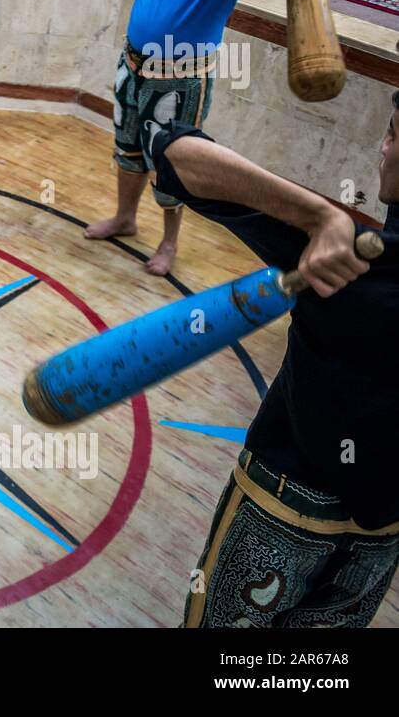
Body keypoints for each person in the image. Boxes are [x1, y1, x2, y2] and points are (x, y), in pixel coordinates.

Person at [148, 93, 397, 627]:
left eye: (394, 133)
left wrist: (318, 216)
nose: (382, 146)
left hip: (285, 505)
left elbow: (172, 152)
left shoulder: (348, 264)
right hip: (385, 527)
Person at [87, 0, 308, 276]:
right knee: (128, 148)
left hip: (182, 78)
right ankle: (125, 218)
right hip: (132, 63)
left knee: (172, 166)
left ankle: (169, 242)